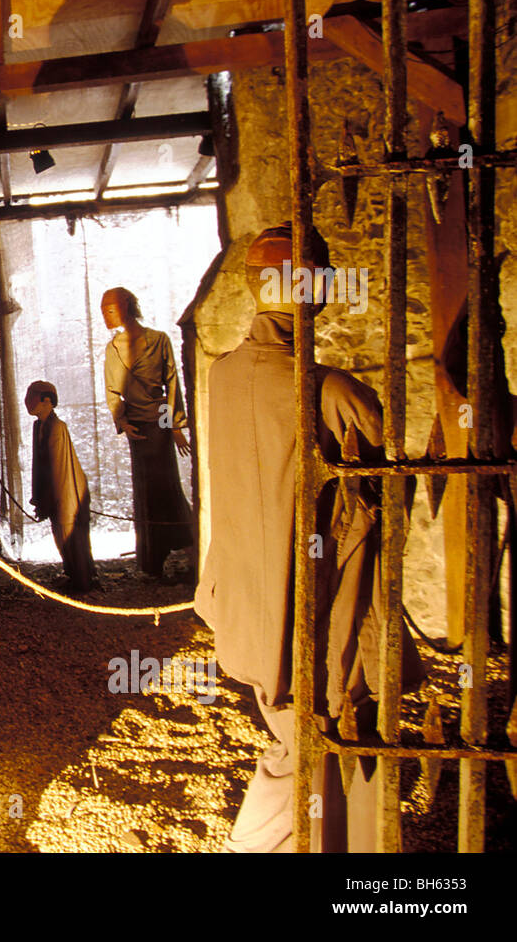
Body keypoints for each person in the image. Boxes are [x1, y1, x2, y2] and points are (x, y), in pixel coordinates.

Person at [194, 222, 424, 852]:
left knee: (304, 738)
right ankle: (262, 846)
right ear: (310, 287)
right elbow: (389, 497)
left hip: (247, 608)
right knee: (326, 738)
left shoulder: (223, 376)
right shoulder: (331, 392)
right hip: (316, 616)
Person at [101, 287, 193, 576]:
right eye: (103, 310)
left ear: (128, 306)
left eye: (111, 308)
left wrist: (174, 425)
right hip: (137, 430)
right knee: (145, 493)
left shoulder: (158, 340)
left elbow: (172, 383)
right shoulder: (113, 347)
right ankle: (151, 562)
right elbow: (112, 391)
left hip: (160, 426)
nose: (106, 315)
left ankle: (186, 546)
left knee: (166, 486)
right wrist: (123, 423)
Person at [25, 381, 96, 592]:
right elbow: (40, 466)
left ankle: (83, 581)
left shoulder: (57, 427)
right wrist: (39, 497)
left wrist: (49, 500)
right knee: (61, 535)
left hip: (66, 491)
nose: (28, 401)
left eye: (33, 396)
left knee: (71, 535)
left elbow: (59, 469)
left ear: (47, 400)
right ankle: (74, 575)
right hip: (54, 492)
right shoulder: (39, 426)